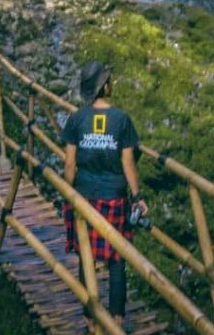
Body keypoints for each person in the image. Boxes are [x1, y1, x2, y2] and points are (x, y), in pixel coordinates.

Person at [62, 60, 148, 327]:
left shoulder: (76, 119)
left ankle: (90, 318)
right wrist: (138, 197)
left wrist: (67, 193)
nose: (113, 83)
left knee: (86, 254)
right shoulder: (122, 120)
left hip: (84, 197)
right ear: (104, 85)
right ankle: (117, 320)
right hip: (113, 198)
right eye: (109, 79)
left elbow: (69, 165)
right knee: (117, 258)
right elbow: (128, 163)